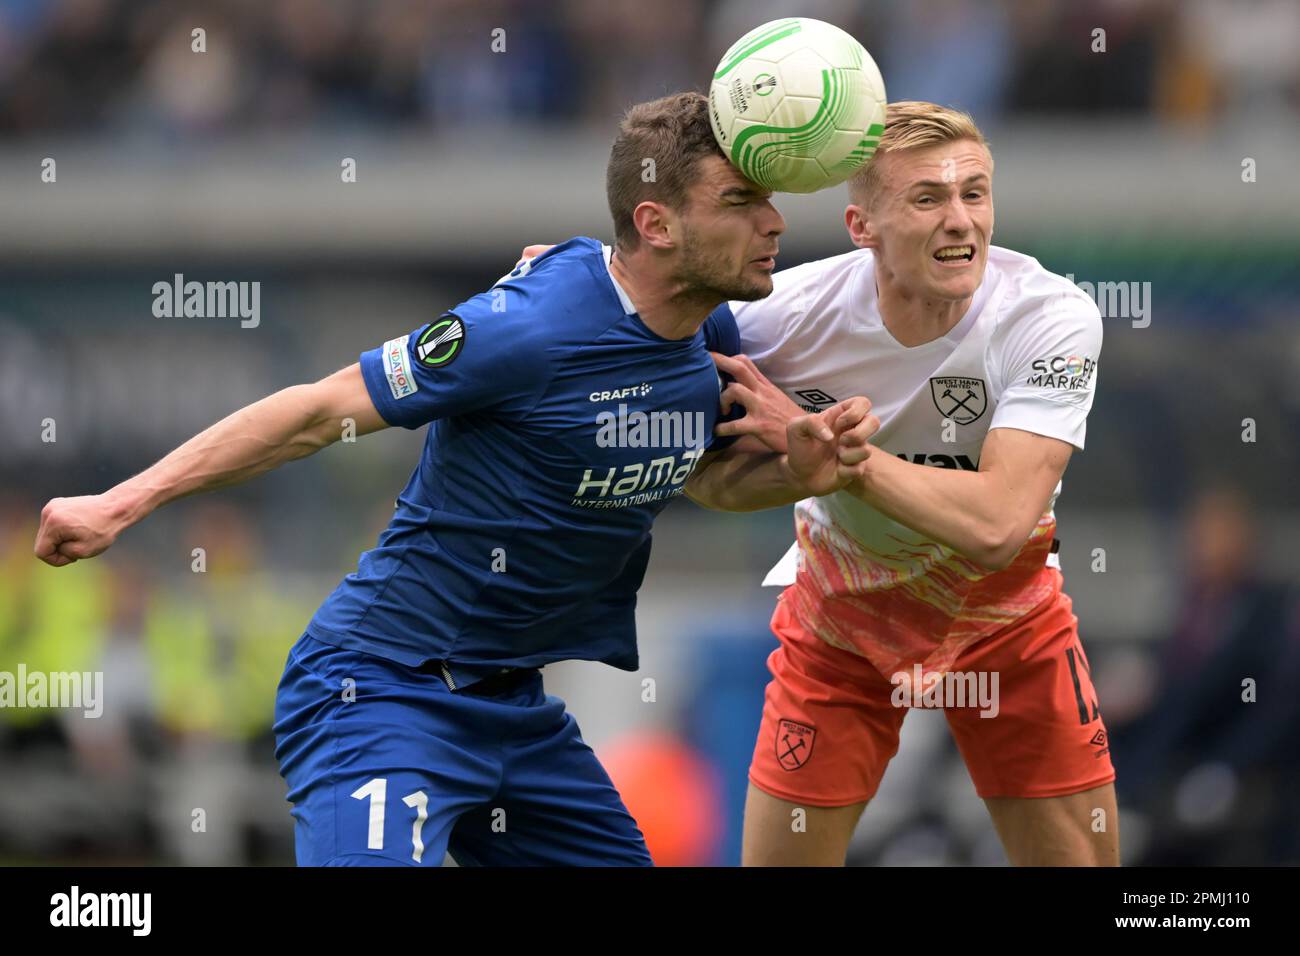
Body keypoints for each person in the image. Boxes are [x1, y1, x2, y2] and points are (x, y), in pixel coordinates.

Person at [33, 91, 856, 866]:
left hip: (516, 713)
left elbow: (705, 483)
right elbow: (319, 411)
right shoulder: (528, 327)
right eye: (741, 202)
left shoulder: (702, 333)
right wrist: (122, 500)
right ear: (657, 223)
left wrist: (801, 472)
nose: (775, 221)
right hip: (383, 690)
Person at [684, 100, 1116, 866]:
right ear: (862, 229)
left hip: (1009, 618)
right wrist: (586, 284)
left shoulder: (1051, 318)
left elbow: (997, 527)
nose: (960, 220)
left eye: (973, 193)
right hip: (842, 618)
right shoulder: (776, 320)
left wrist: (842, 459)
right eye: (927, 198)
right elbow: (699, 466)